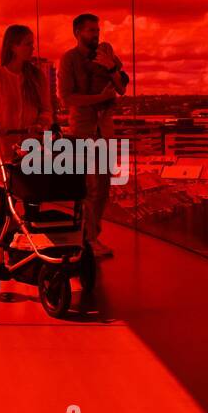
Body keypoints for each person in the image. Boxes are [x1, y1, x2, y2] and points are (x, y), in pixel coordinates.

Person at [57, 13, 127, 258]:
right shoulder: (68, 60)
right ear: (77, 33)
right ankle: (86, 239)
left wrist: (110, 68)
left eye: (97, 30)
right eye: (90, 31)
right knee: (89, 188)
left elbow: (121, 88)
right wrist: (100, 99)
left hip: (105, 131)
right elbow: (66, 98)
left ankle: (91, 236)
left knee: (104, 187)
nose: (95, 34)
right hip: (81, 132)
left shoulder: (106, 53)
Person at [0, 24, 53, 240]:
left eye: (32, 44)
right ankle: (5, 245)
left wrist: (41, 124)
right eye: (28, 44)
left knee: (33, 203)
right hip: (3, 153)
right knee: (7, 204)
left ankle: (33, 243)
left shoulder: (37, 78)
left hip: (31, 150)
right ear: (14, 46)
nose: (32, 48)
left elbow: (47, 111)